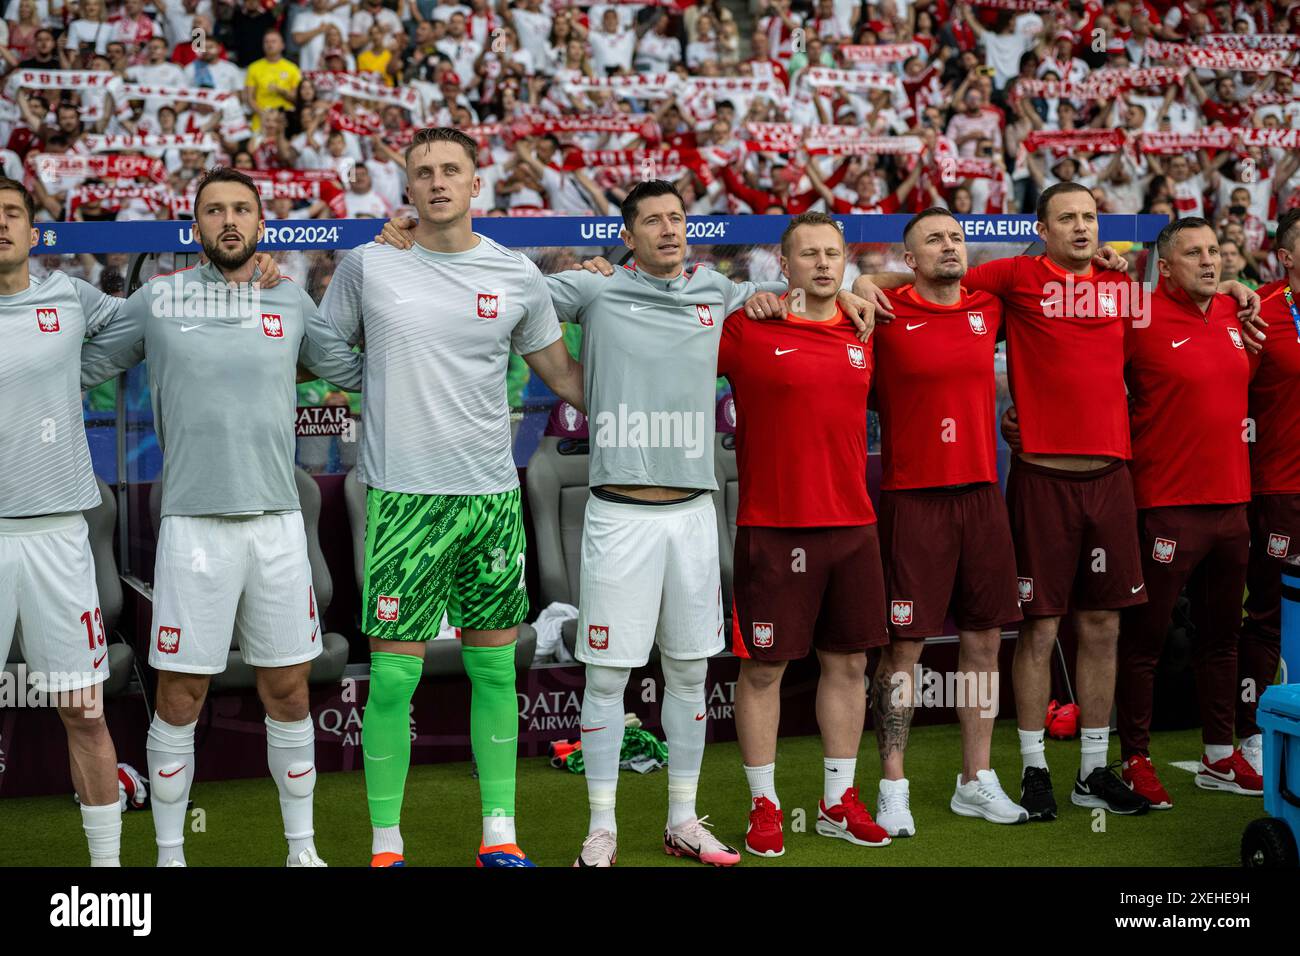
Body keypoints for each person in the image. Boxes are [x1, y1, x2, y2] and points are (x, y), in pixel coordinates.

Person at [375, 180, 873, 867]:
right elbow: (501, 296)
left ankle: (682, 822)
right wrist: (413, 248)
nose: (669, 229)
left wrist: (852, 287)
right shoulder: (594, 289)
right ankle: (601, 829)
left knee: (691, 674)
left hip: (695, 512)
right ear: (628, 236)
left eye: (677, 218)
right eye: (654, 222)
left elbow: (810, 294)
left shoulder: (718, 292)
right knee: (607, 680)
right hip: (618, 513)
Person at [853, 182, 1256, 820]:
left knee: (1103, 625)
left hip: (1112, 478)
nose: (1081, 227)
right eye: (1066, 217)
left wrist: (1236, 287)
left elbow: (1190, 301)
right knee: (1037, 629)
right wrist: (862, 282)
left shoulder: (1125, 292)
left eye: (1090, 218)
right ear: (1040, 228)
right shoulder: (1011, 277)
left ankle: (1093, 769)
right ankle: (1033, 767)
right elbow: (937, 274)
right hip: (1038, 478)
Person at [318, 127, 583, 868]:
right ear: (409, 187)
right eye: (423, 172)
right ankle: (386, 845)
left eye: (451, 170)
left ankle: (499, 835)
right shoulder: (368, 265)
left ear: (477, 183)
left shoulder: (516, 274)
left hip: (490, 497)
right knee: (395, 676)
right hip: (403, 498)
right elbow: (324, 349)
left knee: (495, 669)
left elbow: (565, 378)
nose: (437, 182)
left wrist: (657, 376)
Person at [79, 166, 346, 867]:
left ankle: (302, 851)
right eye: (213, 211)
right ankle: (171, 856)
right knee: (181, 694)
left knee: (288, 688)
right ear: (194, 227)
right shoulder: (158, 301)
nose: (228, 220)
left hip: (278, 523)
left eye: (241, 210)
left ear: (262, 224)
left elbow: (349, 366)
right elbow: (78, 364)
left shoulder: (288, 300)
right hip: (193, 527)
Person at [720, 211, 891, 858]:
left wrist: (866, 281)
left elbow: (940, 278)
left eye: (833, 254)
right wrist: (743, 295)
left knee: (848, 664)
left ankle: (836, 802)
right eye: (808, 254)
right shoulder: (748, 327)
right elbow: (673, 330)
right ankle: (764, 806)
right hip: (772, 526)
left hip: (853, 525)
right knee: (764, 668)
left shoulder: (862, 323)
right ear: (782, 266)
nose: (823, 263)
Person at [869, 207, 1027, 837]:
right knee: (902, 649)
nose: (949, 246)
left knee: (985, 641)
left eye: (957, 237)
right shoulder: (881, 309)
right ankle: (892, 786)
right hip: (914, 498)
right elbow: (835, 292)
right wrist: (862, 284)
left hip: (984, 493)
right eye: (933, 239)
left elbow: (1055, 286)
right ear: (910, 259)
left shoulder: (989, 307)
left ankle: (975, 780)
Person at [0, 177, 126, 867]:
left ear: (32, 228)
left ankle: (105, 876)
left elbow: (144, 325)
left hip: (56, 535)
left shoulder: (69, 298)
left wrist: (75, 374)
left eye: (13, 214)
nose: (2, 225)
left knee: (83, 709)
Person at [1114, 216, 1258, 808]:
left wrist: (1233, 289)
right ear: (1164, 266)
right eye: (1193, 254)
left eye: (1215, 253)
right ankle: (1135, 759)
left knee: (1224, 637)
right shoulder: (1136, 317)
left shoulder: (1235, 309)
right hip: (1167, 506)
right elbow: (1082, 370)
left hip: (1234, 503)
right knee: (1145, 641)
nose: (1209, 262)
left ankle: (1218, 754)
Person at [1237, 209, 1300, 775]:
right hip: (1279, 487)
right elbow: (1226, 388)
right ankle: (1255, 732)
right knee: (1268, 614)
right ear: (1285, 256)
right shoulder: (1261, 311)